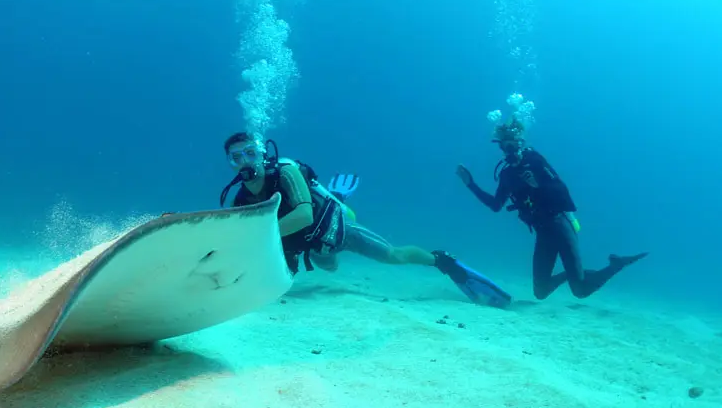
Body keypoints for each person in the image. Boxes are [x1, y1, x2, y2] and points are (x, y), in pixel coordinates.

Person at [220, 131, 513, 308]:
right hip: (306, 246)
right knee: (329, 267)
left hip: (336, 230)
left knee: (393, 255)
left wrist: (258, 235)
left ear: (262, 154)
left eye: (250, 153)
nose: (245, 162)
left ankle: (442, 261)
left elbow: (304, 215)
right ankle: (335, 200)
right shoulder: (240, 199)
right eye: (236, 158)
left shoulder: (286, 171)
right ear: (230, 163)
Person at [455, 116, 647, 300]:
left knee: (580, 291)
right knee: (541, 291)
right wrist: (470, 184)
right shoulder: (506, 175)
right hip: (542, 231)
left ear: (520, 142)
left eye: (513, 144)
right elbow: (496, 206)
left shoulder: (535, 160)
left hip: (559, 224)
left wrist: (539, 185)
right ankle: (572, 274)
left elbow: (561, 190)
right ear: (501, 147)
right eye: (506, 146)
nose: (510, 149)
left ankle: (616, 265)